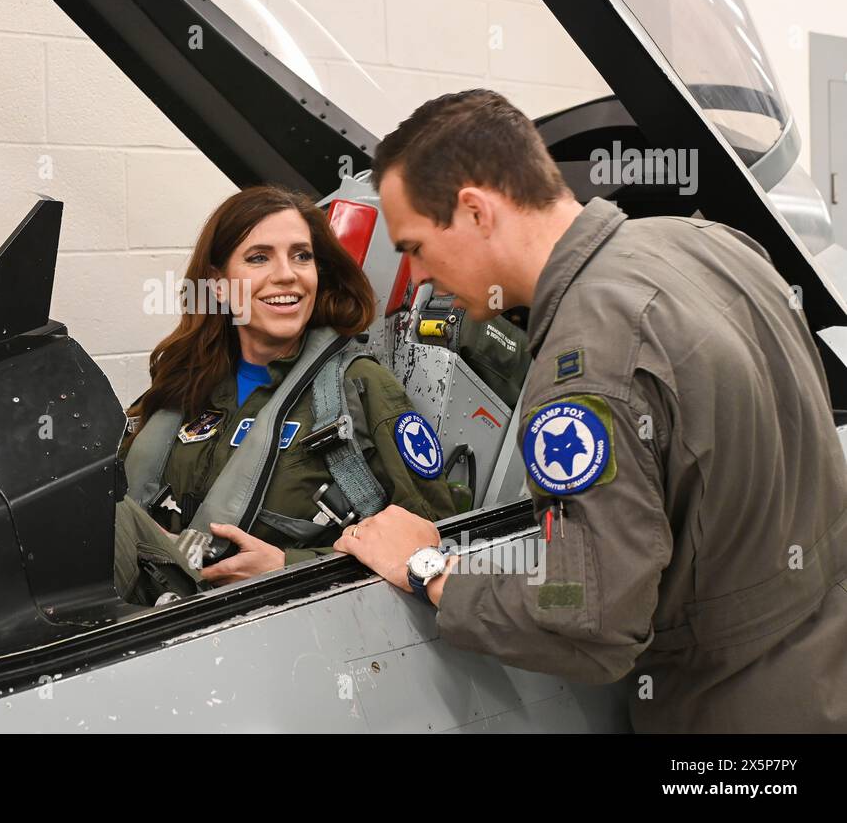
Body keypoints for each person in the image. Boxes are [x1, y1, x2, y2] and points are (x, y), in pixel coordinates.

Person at [336, 88, 847, 732]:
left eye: (414, 246)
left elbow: (592, 625)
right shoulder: (711, 243)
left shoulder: (587, 362)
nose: (418, 276)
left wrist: (429, 570)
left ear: (474, 211)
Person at [114, 185, 455, 605]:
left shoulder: (358, 390)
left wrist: (287, 567)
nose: (287, 275)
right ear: (218, 286)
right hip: (149, 626)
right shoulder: (181, 387)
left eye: (302, 256)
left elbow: (441, 548)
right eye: (259, 258)